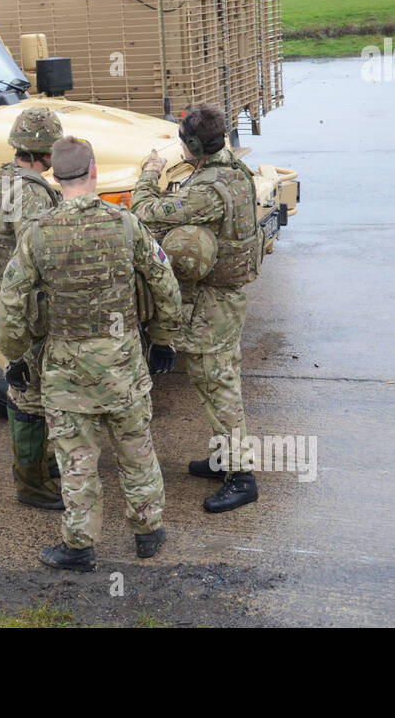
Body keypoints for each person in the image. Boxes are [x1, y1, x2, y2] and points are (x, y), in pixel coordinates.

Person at [0, 136, 184, 571]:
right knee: (136, 450)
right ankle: (147, 532)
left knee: (77, 460)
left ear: (56, 178)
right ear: (94, 171)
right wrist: (161, 338)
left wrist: (17, 356)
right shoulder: (125, 224)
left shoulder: (38, 234)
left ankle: (80, 546)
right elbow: (163, 281)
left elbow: (10, 301)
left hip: (66, 370)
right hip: (123, 364)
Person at [132, 103, 264, 514]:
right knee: (219, 375)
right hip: (227, 295)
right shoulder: (233, 172)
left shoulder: (208, 191)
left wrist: (150, 173)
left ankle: (241, 477)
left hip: (214, 302)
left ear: (192, 145)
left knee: (217, 381)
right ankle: (224, 458)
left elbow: (145, 213)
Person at [0, 106, 64, 509]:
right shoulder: (30, 192)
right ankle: (31, 483)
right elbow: (37, 255)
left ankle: (42, 462)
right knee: (28, 388)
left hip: (0, 295)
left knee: (29, 381)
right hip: (24, 304)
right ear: (44, 152)